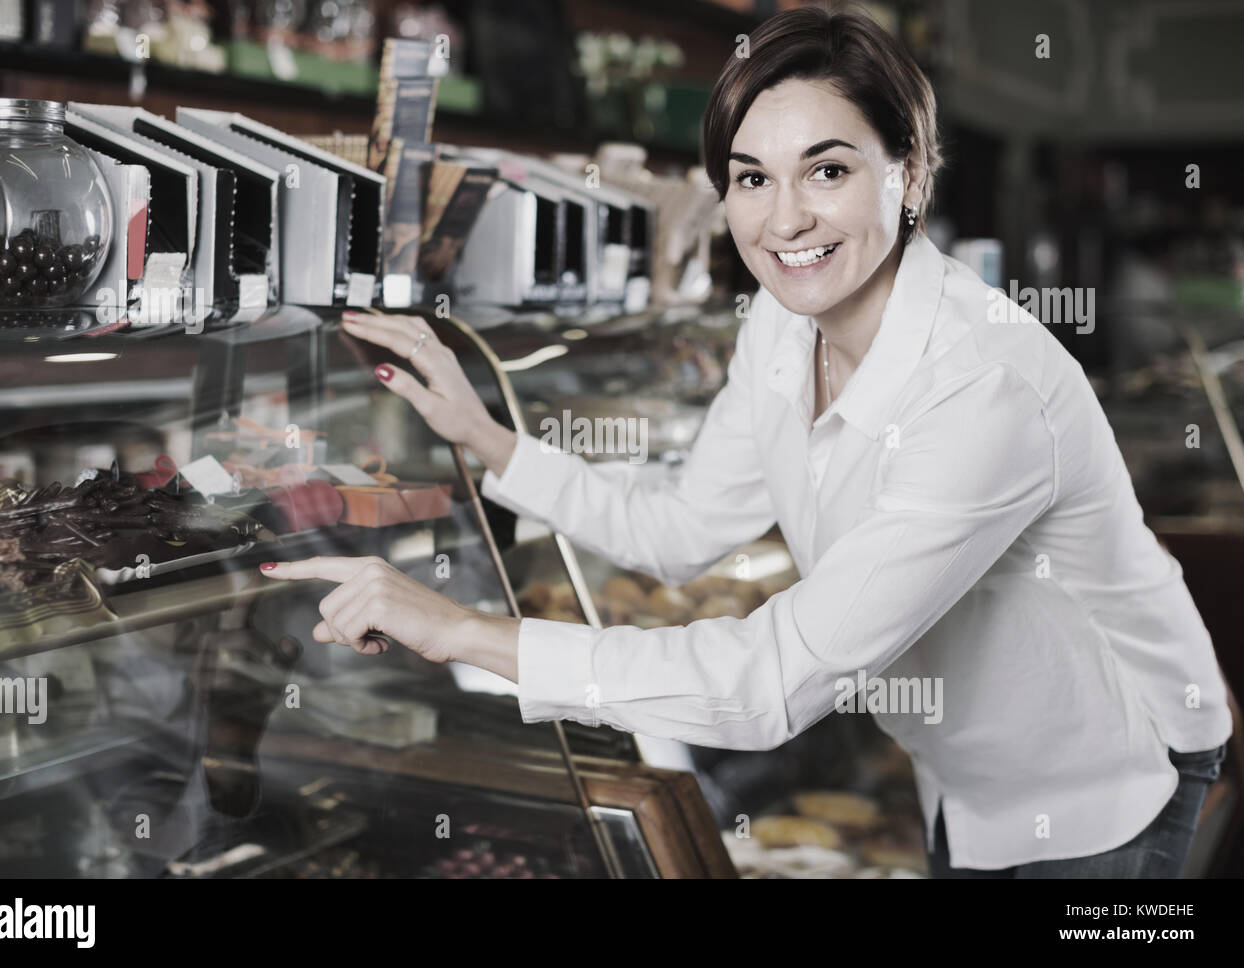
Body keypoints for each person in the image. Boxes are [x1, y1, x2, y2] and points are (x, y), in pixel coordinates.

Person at [260, 8, 1231, 877]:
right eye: (751, 179)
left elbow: (769, 684)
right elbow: (682, 529)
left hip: (1110, 781)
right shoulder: (780, 324)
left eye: (830, 169)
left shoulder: (984, 384)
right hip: (965, 774)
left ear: (911, 172)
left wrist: (466, 631)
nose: (786, 218)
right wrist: (486, 436)